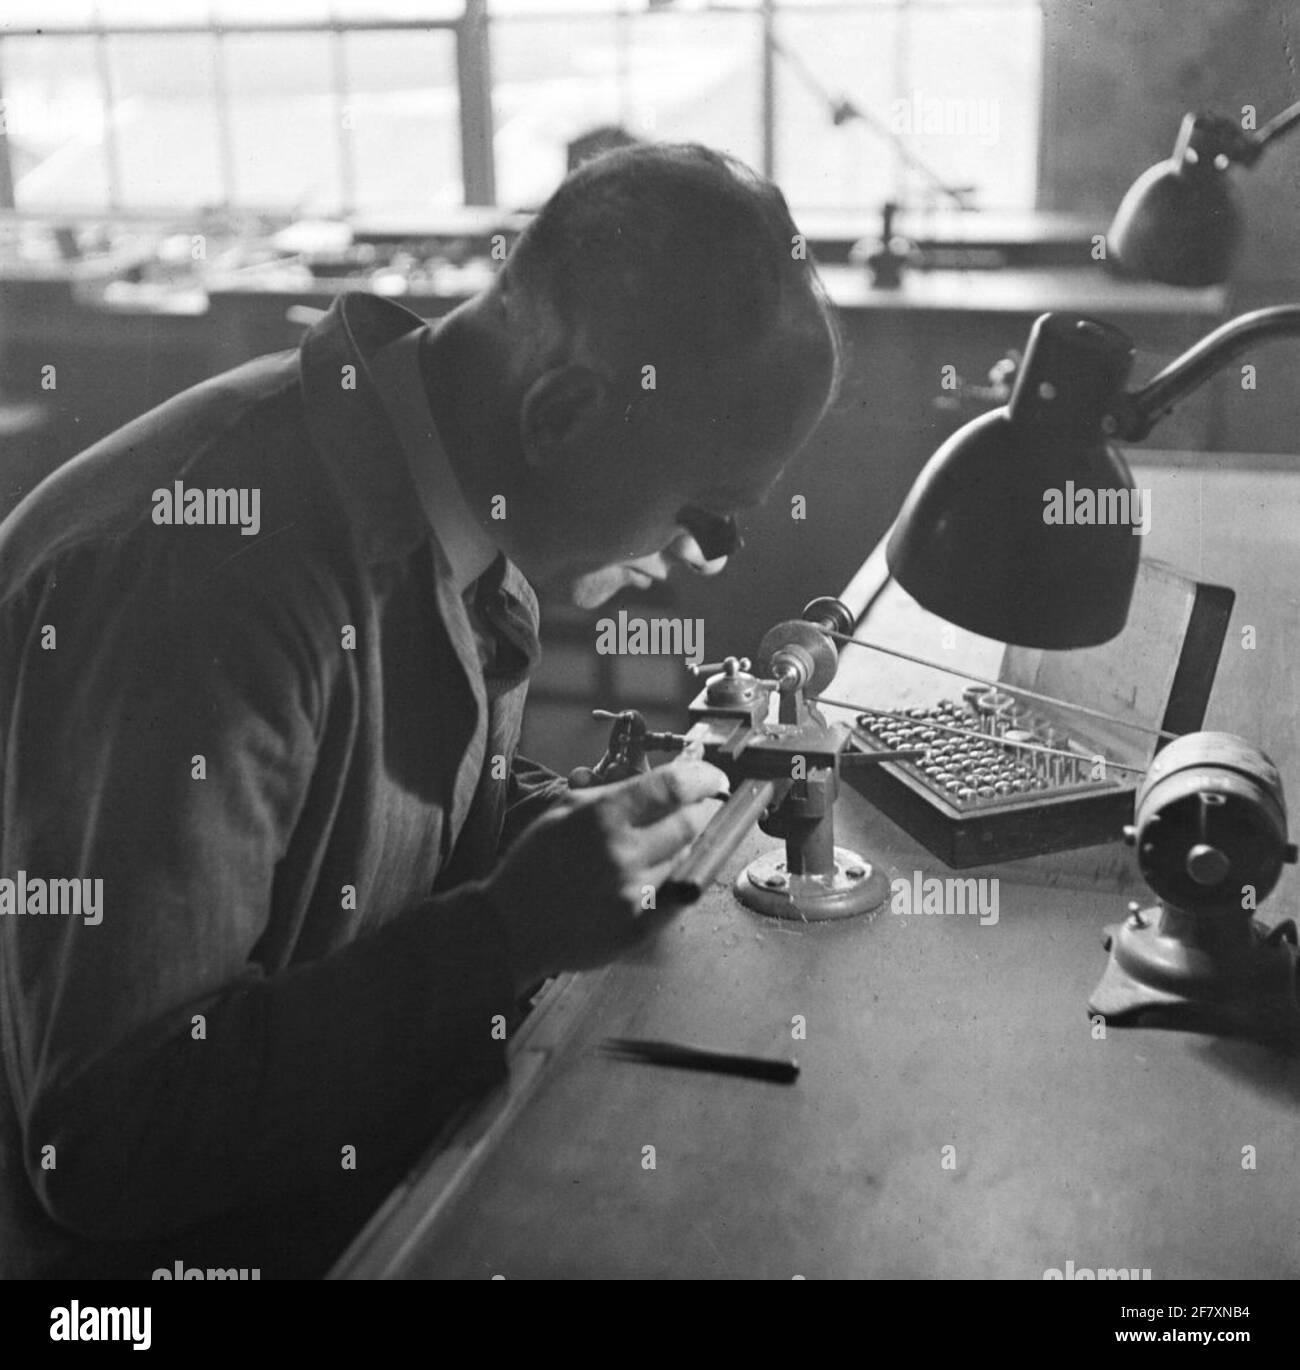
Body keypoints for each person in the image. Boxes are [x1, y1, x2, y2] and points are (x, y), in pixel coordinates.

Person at [0, 142, 842, 1278]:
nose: (695, 557)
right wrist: (510, 930)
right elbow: (111, 1144)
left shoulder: (447, 489)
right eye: (706, 510)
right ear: (561, 415)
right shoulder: (211, 584)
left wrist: (563, 821)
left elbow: (365, 843)